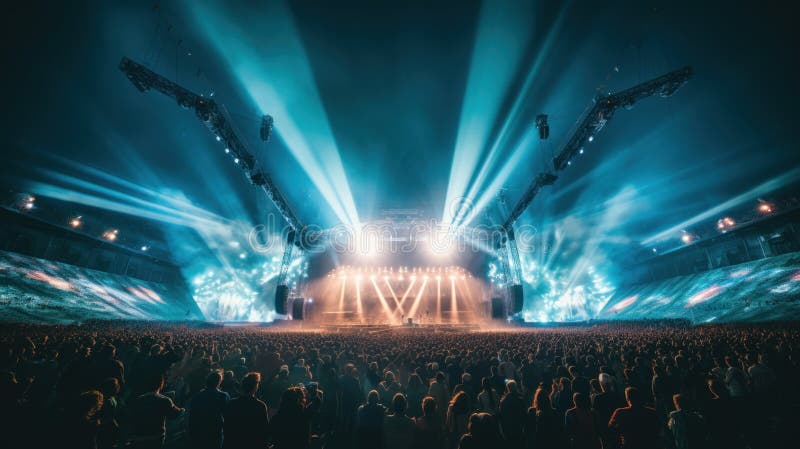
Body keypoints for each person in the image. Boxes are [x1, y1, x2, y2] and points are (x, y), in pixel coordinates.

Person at [127, 374, 185, 449]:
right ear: (161, 384)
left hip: (137, 439)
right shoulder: (164, 400)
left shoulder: (137, 400)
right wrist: (183, 409)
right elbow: (175, 414)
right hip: (155, 439)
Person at [223, 372, 269, 449]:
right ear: (255, 387)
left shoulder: (232, 403)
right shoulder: (260, 406)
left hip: (234, 442)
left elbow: (226, 424)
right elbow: (264, 429)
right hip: (252, 443)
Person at [189, 370, 230, 449]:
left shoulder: (197, 396)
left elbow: (192, 417)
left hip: (200, 430)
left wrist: (192, 432)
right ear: (219, 382)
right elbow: (227, 415)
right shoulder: (224, 396)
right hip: (216, 430)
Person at [499, 380, 526, 447]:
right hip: (519, 428)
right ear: (516, 387)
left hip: (508, 429)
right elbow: (524, 414)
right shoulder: (520, 399)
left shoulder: (503, 401)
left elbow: (501, 416)